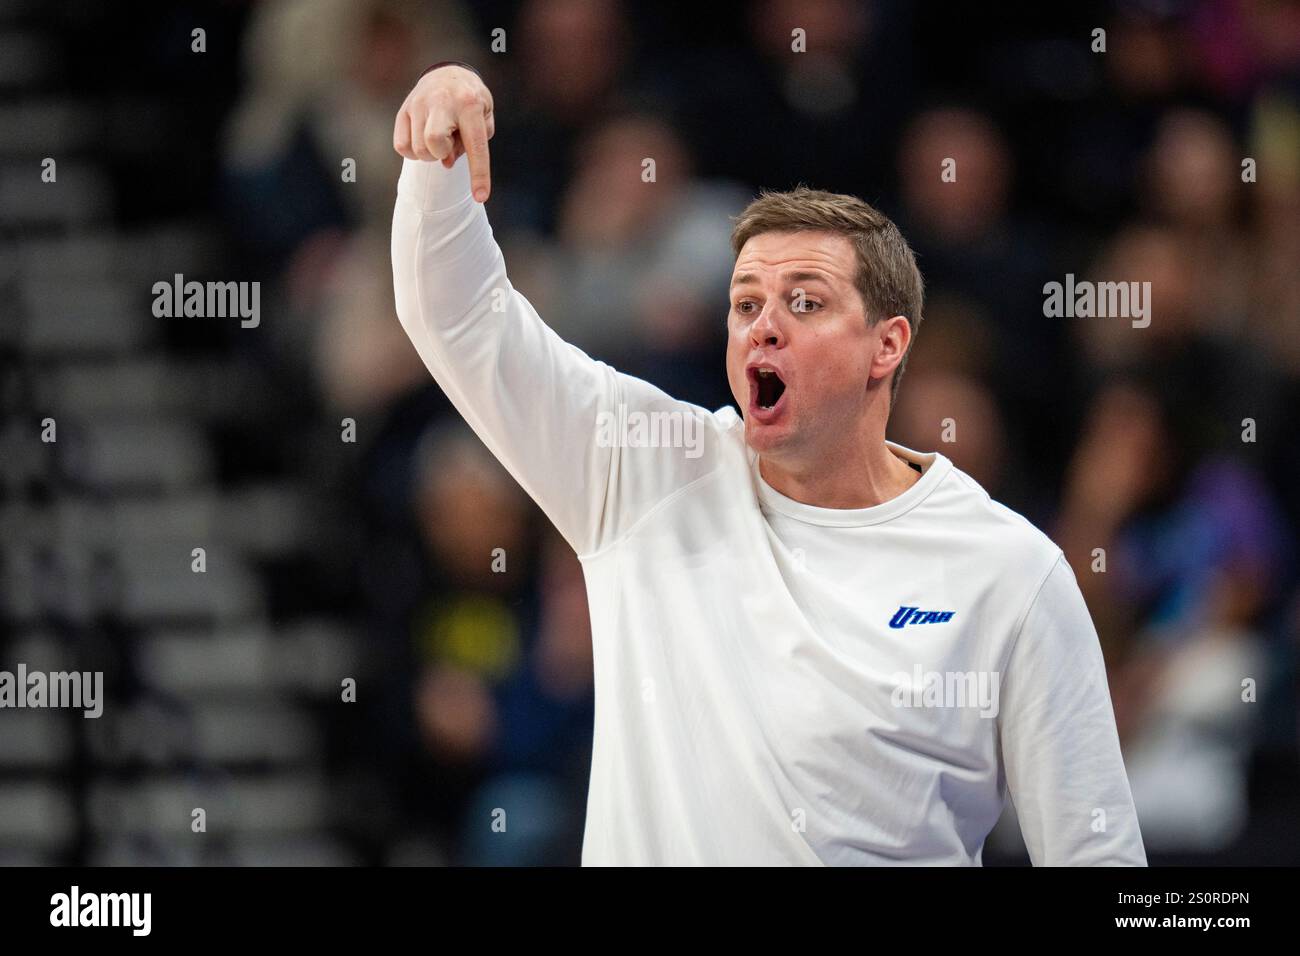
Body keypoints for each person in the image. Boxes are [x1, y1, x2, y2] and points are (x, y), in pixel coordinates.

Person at [389, 62, 1147, 865]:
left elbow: (1096, 854)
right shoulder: (647, 470)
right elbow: (460, 318)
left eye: (806, 302)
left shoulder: (1009, 572)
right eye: (745, 303)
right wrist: (436, 153)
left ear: (886, 346)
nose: (763, 327)